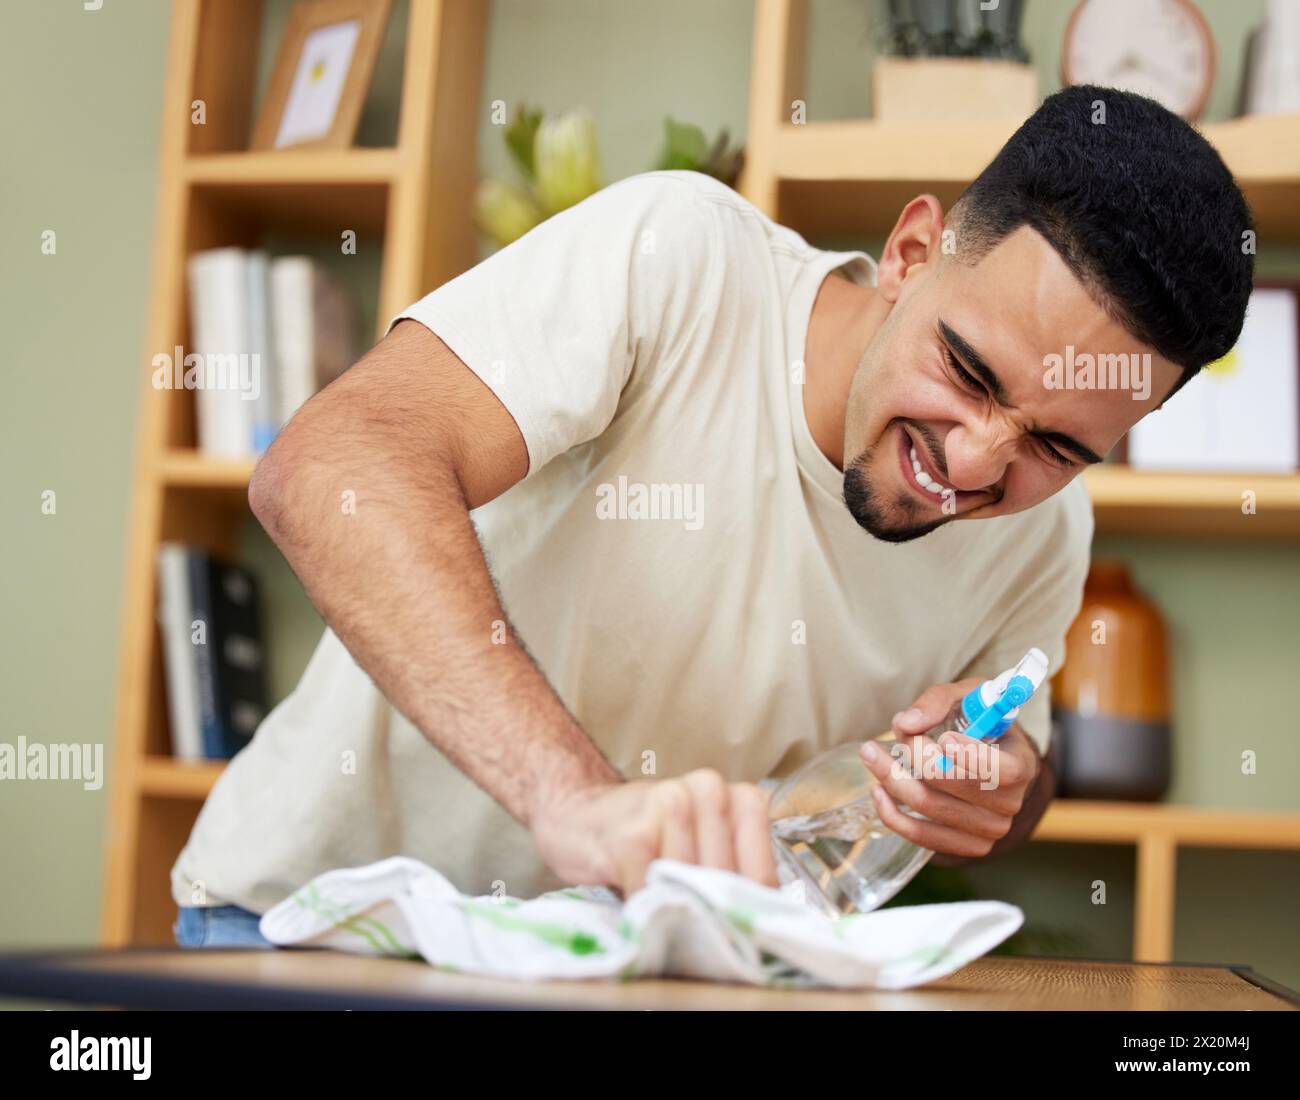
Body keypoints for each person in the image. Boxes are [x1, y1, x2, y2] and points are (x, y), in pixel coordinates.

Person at [170, 85, 1253, 948]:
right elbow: (329, 465)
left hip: (621, 979)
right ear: (911, 252)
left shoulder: (1045, 534)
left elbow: (1020, 765)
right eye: (967, 370)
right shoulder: (679, 258)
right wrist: (576, 801)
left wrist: (1001, 789)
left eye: (1055, 446)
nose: (973, 464)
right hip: (312, 936)